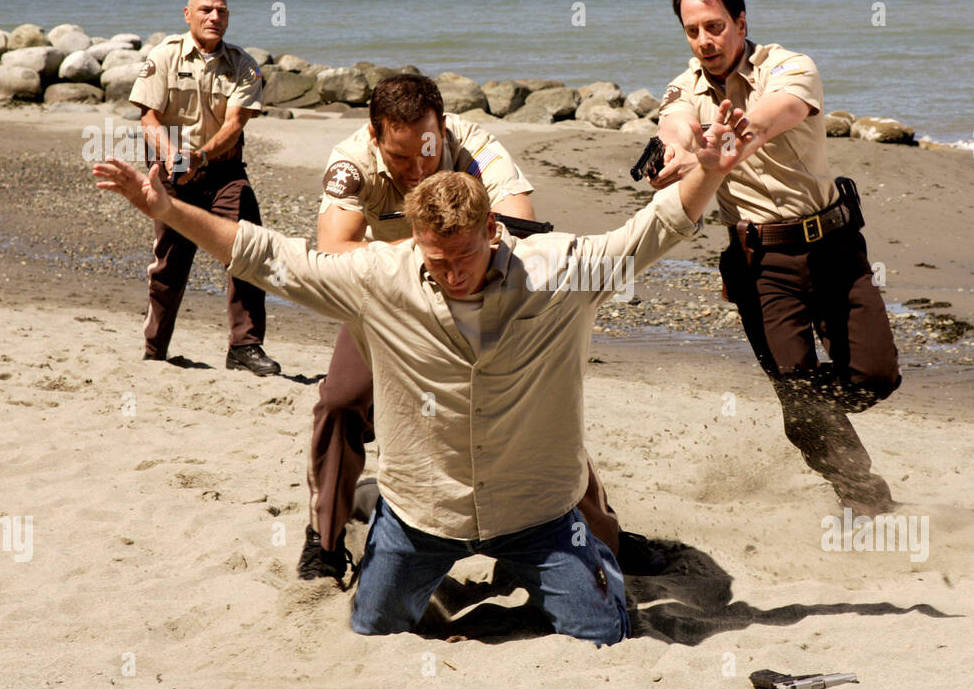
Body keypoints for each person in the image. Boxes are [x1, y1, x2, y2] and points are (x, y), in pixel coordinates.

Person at [93, 99, 752, 645]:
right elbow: (269, 258)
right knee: (373, 625)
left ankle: (594, 545)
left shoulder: (558, 270)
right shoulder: (384, 276)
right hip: (423, 515)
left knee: (604, 631)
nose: (452, 272)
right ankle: (368, 505)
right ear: (413, 242)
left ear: (493, 230)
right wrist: (167, 210)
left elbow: (652, 231)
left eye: (463, 254)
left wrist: (713, 171)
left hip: (539, 513)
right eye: (436, 260)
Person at [299, 73, 664, 581]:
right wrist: (421, 257)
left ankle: (606, 537)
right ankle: (325, 539)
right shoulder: (353, 159)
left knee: (538, 404)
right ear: (375, 135)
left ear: (441, 128)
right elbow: (332, 249)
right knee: (339, 402)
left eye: (426, 152)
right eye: (400, 158)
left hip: (479, 295)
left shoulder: (477, 148)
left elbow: (522, 229)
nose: (417, 169)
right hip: (392, 300)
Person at [650, 0, 901, 513]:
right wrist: (672, 148)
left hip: (833, 246)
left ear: (741, 22)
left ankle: (804, 412)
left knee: (875, 377)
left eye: (714, 26)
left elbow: (770, 118)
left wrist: (732, 135)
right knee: (800, 389)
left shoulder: (790, 66)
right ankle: (867, 500)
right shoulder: (685, 87)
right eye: (692, 31)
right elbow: (671, 122)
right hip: (759, 261)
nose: (704, 41)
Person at [128, 0, 280, 376]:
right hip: (173, 172)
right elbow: (148, 118)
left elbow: (236, 123)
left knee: (247, 250)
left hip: (224, 171)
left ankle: (245, 348)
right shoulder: (164, 56)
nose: (215, 17)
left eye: (222, 11)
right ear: (187, 14)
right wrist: (171, 154)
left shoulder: (244, 65)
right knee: (169, 265)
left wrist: (202, 156)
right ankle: (154, 350)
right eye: (207, 10)